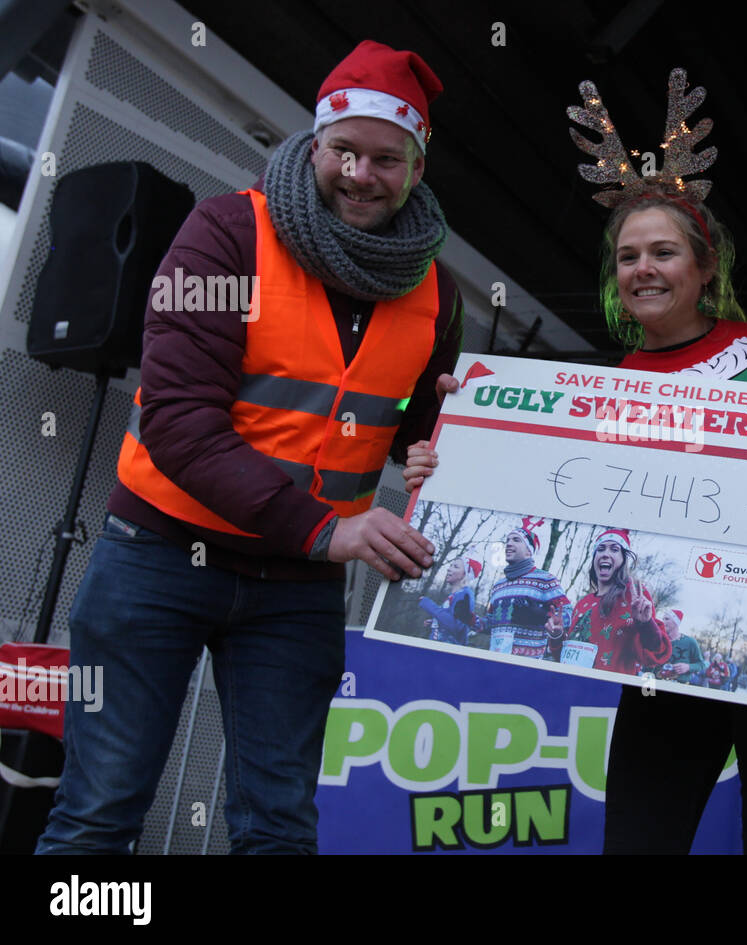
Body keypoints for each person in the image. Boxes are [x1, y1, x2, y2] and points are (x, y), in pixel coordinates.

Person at [38, 41, 462, 854]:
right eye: (343, 151)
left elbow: (406, 424)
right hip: (158, 556)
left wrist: (439, 441)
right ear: (314, 144)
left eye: (385, 158)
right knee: (97, 816)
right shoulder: (226, 233)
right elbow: (177, 420)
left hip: (295, 590)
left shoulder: (436, 289)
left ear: (417, 163)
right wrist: (327, 529)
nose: (360, 175)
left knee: (278, 828)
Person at [563, 69, 747, 855]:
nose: (644, 269)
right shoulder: (602, 387)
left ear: (703, 265)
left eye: (663, 252)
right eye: (628, 257)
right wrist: (453, 450)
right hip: (663, 660)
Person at [562, 529, 671, 674]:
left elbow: (655, 654)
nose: (605, 554)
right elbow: (564, 656)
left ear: (623, 559)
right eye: (600, 549)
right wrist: (556, 635)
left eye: (614, 550)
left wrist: (645, 624)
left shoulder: (634, 596)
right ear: (594, 558)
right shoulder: (583, 603)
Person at [483, 519, 571, 660]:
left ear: (529, 552)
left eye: (516, 540)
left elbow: (568, 614)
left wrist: (542, 616)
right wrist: (467, 617)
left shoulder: (545, 580)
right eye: (508, 540)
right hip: (495, 660)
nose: (509, 544)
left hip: (526, 665)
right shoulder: (498, 586)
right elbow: (489, 624)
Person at [419, 556, 482, 645]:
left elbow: (455, 626)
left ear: (465, 574)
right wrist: (435, 622)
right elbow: (450, 618)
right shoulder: (455, 594)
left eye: (455, 567)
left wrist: (429, 605)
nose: (449, 569)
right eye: (451, 566)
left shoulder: (465, 594)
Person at [653, 609, 706, 686]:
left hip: (680, 686)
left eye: (667, 619)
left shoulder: (690, 642)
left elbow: (701, 664)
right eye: (663, 619)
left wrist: (688, 667)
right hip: (657, 684)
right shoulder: (658, 640)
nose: (663, 621)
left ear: (676, 622)